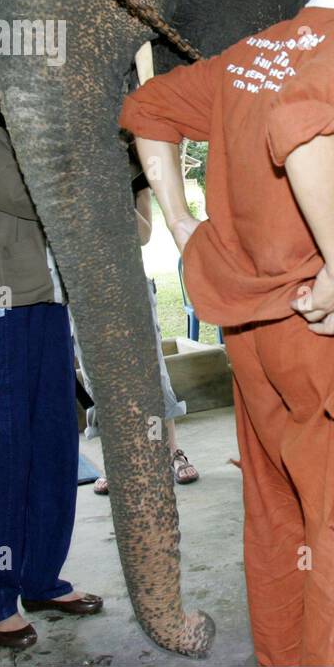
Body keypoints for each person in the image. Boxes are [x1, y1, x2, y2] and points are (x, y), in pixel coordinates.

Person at [120, 0, 334, 665]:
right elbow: (304, 130)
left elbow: (148, 109)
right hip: (332, 329)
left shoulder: (255, 53)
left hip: (256, 332)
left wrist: (180, 219)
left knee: (283, 517)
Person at [0, 52, 102, 650]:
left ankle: (40, 579)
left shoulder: (35, 137)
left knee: (54, 450)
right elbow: (41, 194)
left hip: (45, 312)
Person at [82, 154, 197, 494]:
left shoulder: (133, 172)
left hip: (130, 284)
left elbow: (143, 234)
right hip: (85, 289)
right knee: (96, 377)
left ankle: (170, 452)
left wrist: (111, 188)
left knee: (152, 370)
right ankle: (114, 463)